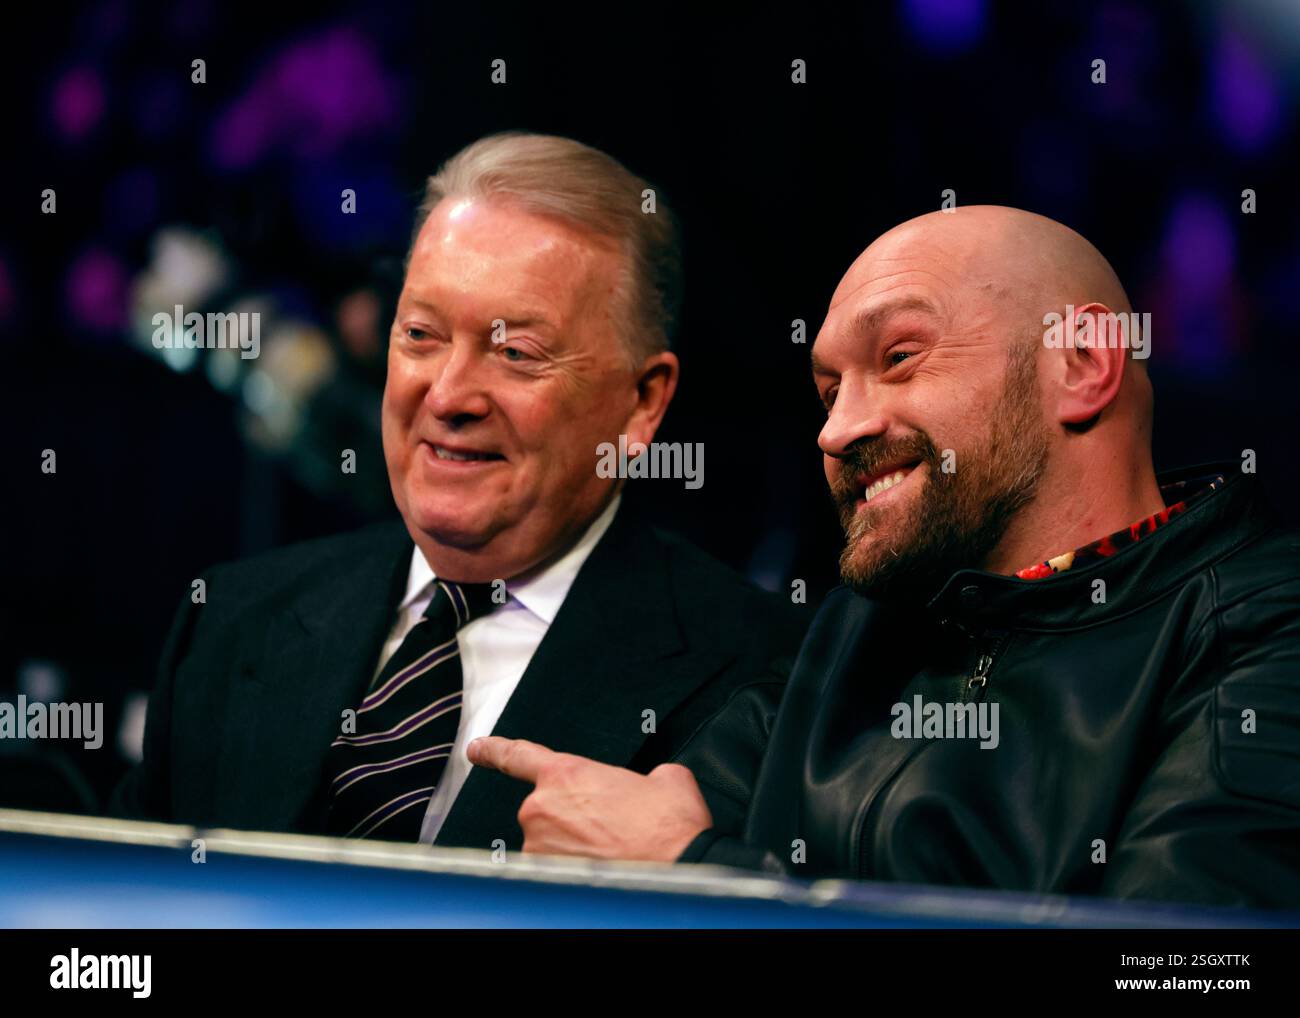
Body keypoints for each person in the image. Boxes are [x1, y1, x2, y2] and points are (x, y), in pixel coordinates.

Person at [469, 206, 1300, 908]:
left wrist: (707, 877)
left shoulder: (1266, 630)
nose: (835, 432)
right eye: (829, 392)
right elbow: (634, 851)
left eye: (899, 358)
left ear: (1083, 362)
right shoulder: (849, 633)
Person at [111, 132, 806, 848]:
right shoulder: (228, 622)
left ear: (641, 402)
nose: (447, 395)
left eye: (515, 352)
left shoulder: (767, 683)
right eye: (420, 334)